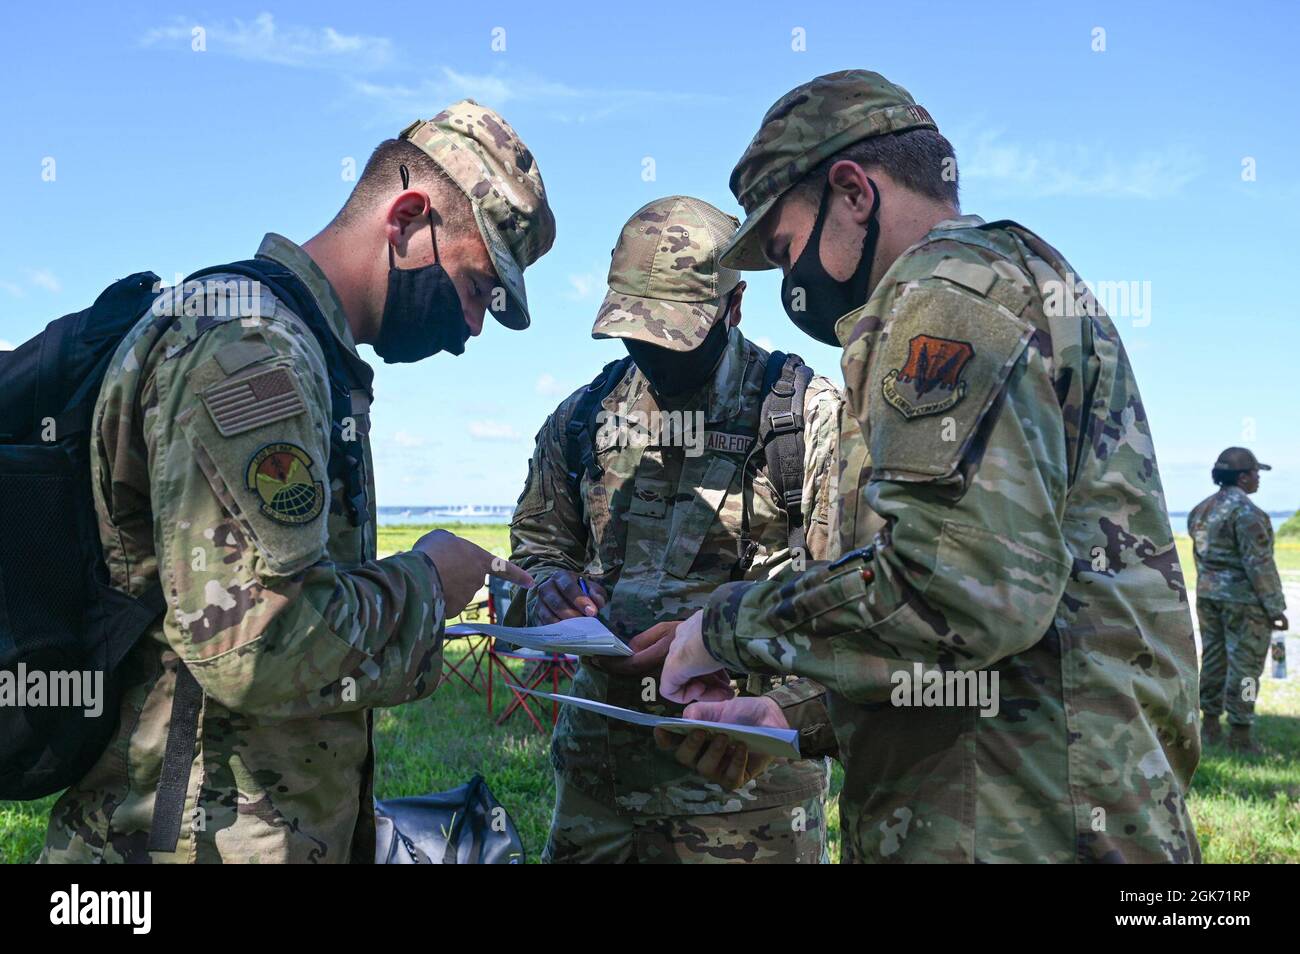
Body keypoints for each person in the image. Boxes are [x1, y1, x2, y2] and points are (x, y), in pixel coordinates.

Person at [656, 70, 1202, 863]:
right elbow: (1008, 628)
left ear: (853, 192)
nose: (791, 284)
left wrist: (728, 627)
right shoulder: (1008, 282)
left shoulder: (942, 299)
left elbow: (960, 590)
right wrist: (799, 718)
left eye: (784, 249)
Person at [42, 101, 552, 863]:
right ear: (409, 218)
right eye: (478, 289)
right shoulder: (252, 350)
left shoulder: (297, 349)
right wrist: (427, 583)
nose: (472, 328)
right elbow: (254, 642)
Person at [508, 195, 842, 863]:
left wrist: (736, 656)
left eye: (676, 335)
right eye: (638, 332)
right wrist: (547, 592)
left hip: (745, 806)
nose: (654, 354)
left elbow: (855, 606)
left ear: (734, 307)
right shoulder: (583, 418)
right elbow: (537, 551)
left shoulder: (805, 417)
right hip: (600, 790)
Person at [1188, 447, 1288, 753]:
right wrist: (1275, 608)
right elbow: (1259, 564)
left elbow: (1199, 558)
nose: (1258, 479)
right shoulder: (1247, 513)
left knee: (1214, 660)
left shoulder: (1200, 510)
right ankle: (1241, 734)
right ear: (1242, 477)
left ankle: (1209, 725)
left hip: (1208, 597)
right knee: (1246, 666)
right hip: (1244, 603)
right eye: (1256, 473)